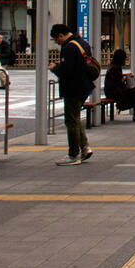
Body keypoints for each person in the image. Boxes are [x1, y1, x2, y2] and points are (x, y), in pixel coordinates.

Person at [49, 23, 94, 165]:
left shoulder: (68, 47)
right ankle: (85, 147)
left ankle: (73, 155)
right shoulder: (82, 43)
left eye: (57, 39)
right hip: (84, 86)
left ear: (61, 35)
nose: (57, 42)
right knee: (75, 118)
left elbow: (67, 71)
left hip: (73, 88)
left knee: (71, 121)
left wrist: (55, 68)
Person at [104, 49, 135, 120]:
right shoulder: (113, 68)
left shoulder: (116, 66)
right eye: (124, 58)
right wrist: (123, 80)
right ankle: (132, 112)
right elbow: (113, 83)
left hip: (115, 90)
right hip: (112, 92)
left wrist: (126, 76)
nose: (125, 60)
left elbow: (118, 77)